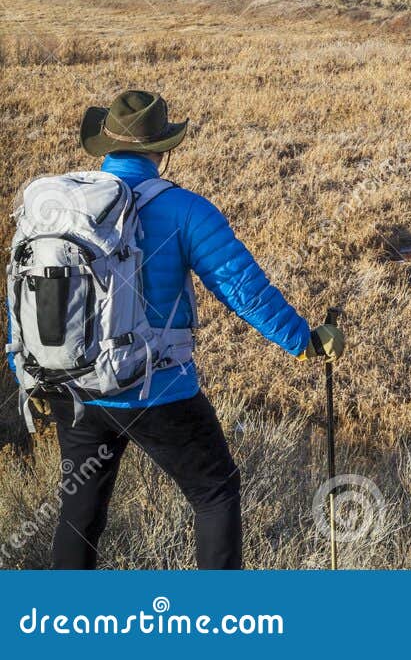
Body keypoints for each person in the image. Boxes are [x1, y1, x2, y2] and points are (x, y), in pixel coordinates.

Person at [13, 89, 345, 570]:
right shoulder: (187, 210)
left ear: (104, 146)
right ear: (162, 151)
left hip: (76, 387)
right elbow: (243, 289)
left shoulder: (57, 208)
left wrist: (25, 370)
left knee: (79, 514)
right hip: (158, 390)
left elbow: (21, 293)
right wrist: (303, 341)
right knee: (215, 493)